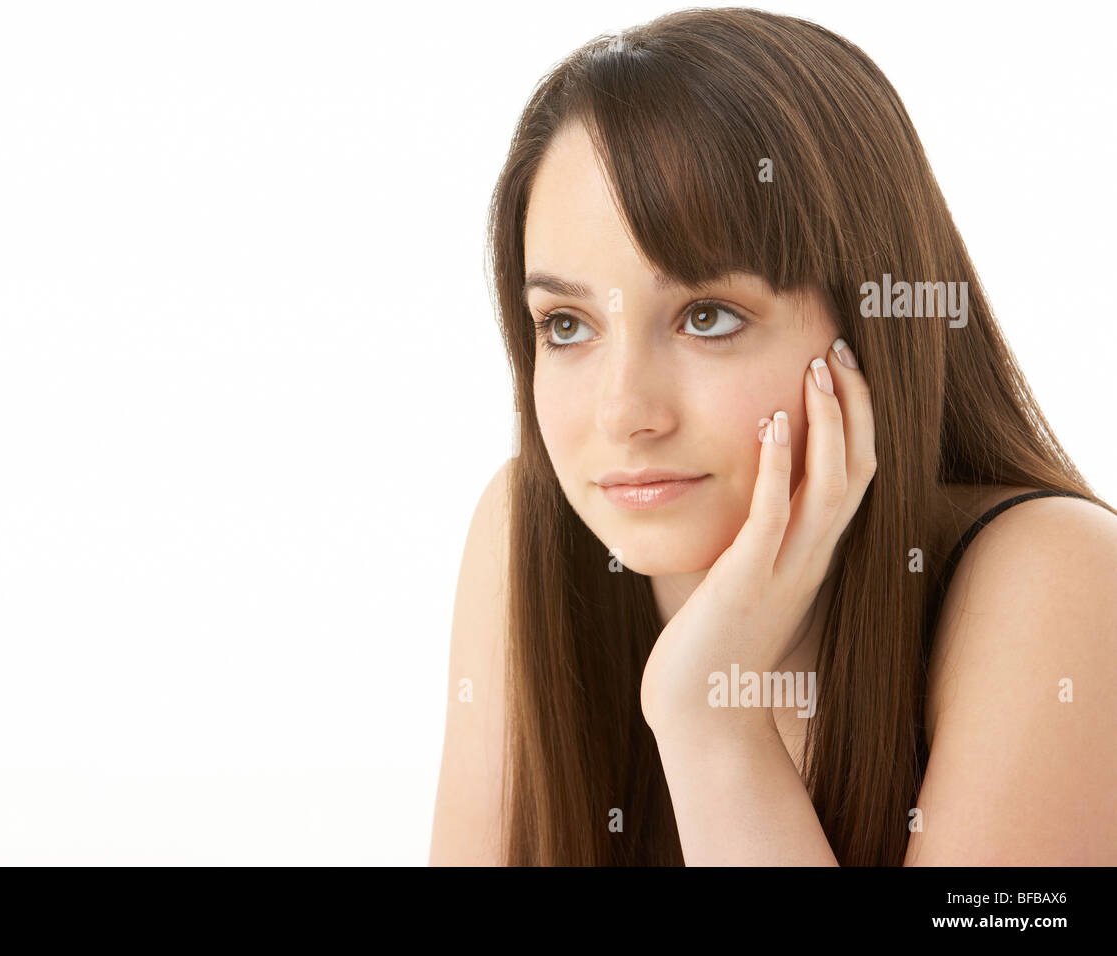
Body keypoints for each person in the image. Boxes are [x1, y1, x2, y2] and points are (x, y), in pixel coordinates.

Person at [430, 7, 1117, 865]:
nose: (623, 413)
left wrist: (709, 721)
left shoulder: (1057, 576)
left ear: (871, 328)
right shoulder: (525, 529)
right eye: (566, 325)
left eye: (706, 316)